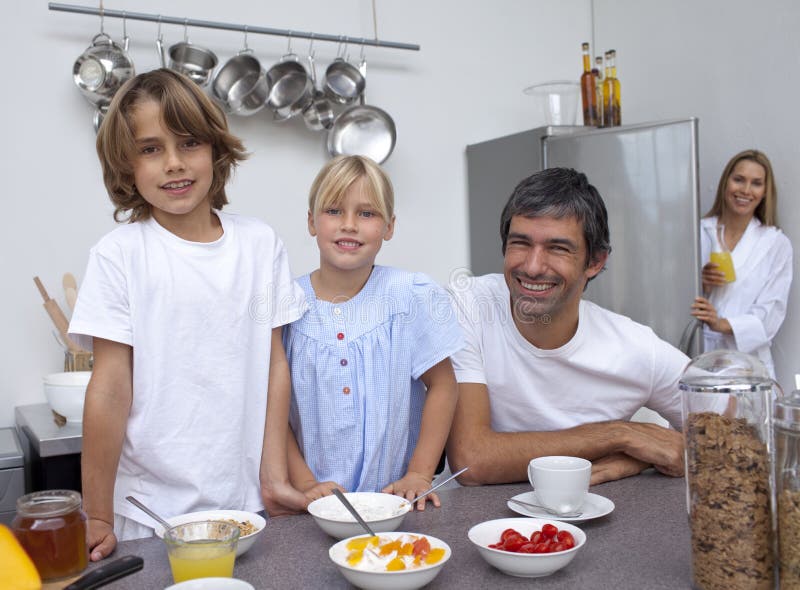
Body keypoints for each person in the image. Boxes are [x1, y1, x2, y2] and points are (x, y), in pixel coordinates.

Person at [68, 70, 307, 560]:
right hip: (148, 516)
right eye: (150, 149)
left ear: (216, 151)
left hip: (245, 509)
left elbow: (274, 366)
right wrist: (96, 514)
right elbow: (110, 388)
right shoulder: (119, 255)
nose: (174, 164)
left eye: (189, 143)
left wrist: (274, 476)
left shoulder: (259, 244)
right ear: (125, 164)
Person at [446, 167, 688, 487]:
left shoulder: (636, 347)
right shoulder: (467, 304)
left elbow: (749, 427)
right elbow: (471, 461)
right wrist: (619, 436)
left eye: (557, 248)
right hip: (478, 527)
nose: (532, 267)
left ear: (595, 262)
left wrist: (641, 459)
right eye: (521, 243)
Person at [262, 155, 463, 514]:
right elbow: (273, 410)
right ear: (311, 222)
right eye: (334, 211)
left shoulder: (410, 295)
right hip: (311, 506)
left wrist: (419, 473)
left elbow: (444, 386)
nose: (349, 225)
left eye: (367, 214)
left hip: (397, 503)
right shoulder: (286, 305)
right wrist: (306, 483)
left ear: (389, 226)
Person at [690, 150, 793, 378]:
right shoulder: (697, 233)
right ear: (725, 182)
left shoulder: (775, 244)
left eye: (756, 183)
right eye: (739, 179)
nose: (745, 190)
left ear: (765, 192)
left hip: (749, 365)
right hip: (700, 356)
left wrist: (721, 323)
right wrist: (700, 284)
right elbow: (669, 303)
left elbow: (771, 314)